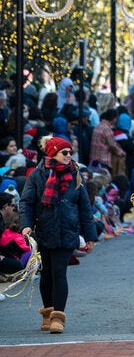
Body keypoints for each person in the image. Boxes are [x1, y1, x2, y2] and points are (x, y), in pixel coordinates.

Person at [18, 135, 97, 334]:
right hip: (44, 231)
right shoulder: (37, 176)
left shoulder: (76, 175)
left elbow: (85, 208)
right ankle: (48, 313)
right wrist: (26, 225)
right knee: (47, 274)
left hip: (67, 231)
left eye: (70, 152)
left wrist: (90, 236)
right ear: (53, 152)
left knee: (59, 272)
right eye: (65, 152)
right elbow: (26, 203)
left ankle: (58, 318)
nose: (69, 155)